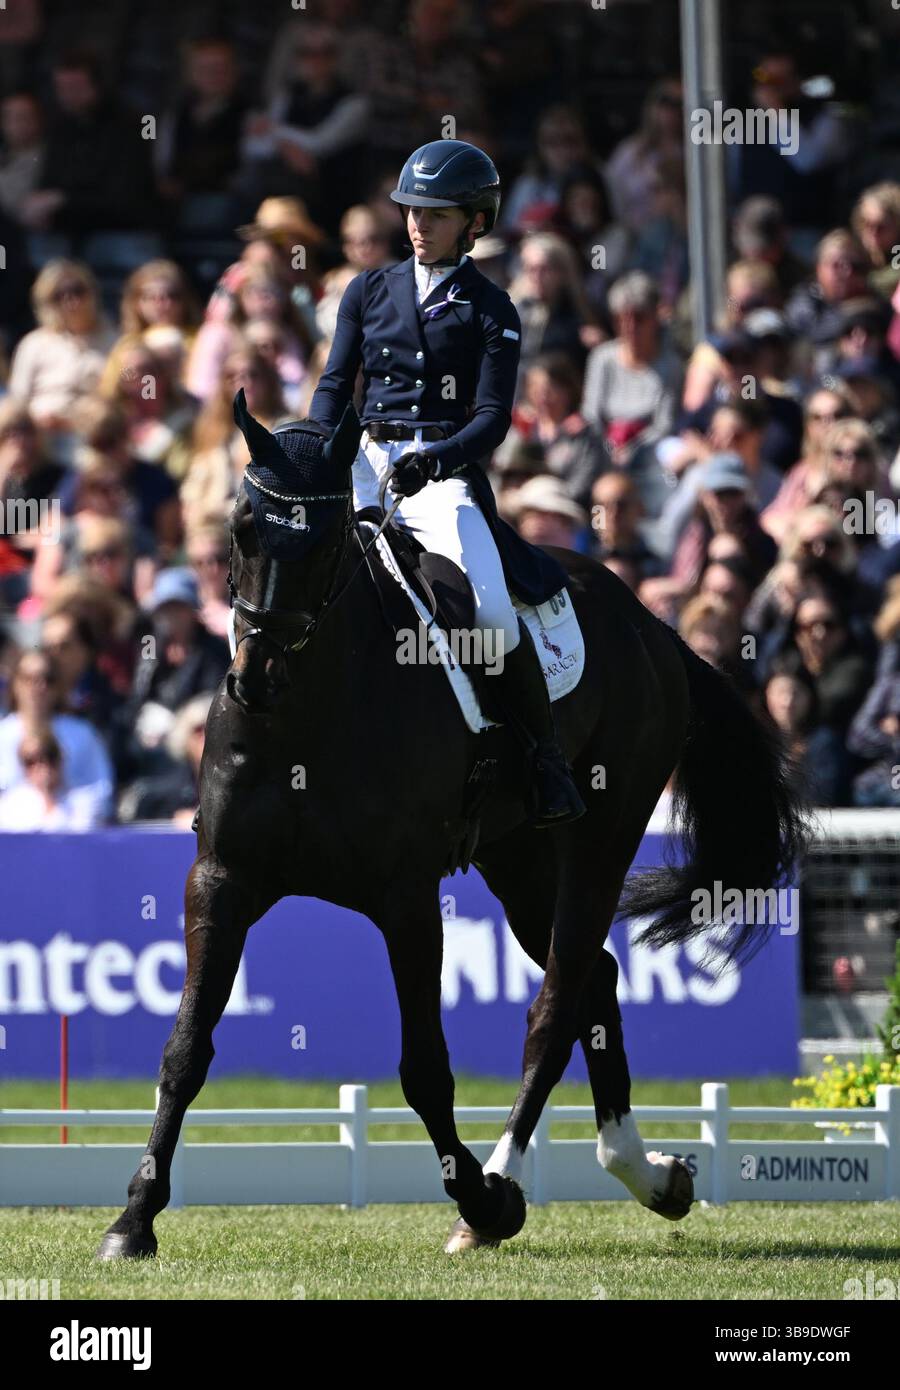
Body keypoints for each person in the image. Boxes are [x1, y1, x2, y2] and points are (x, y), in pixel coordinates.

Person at [308, 138, 585, 825]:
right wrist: (318, 448)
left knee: (488, 612)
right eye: (411, 211)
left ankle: (540, 757)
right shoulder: (367, 289)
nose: (416, 225)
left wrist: (436, 458)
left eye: (434, 214)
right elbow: (336, 384)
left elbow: (492, 418)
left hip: (439, 473)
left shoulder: (493, 309)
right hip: (365, 457)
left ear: (474, 221)